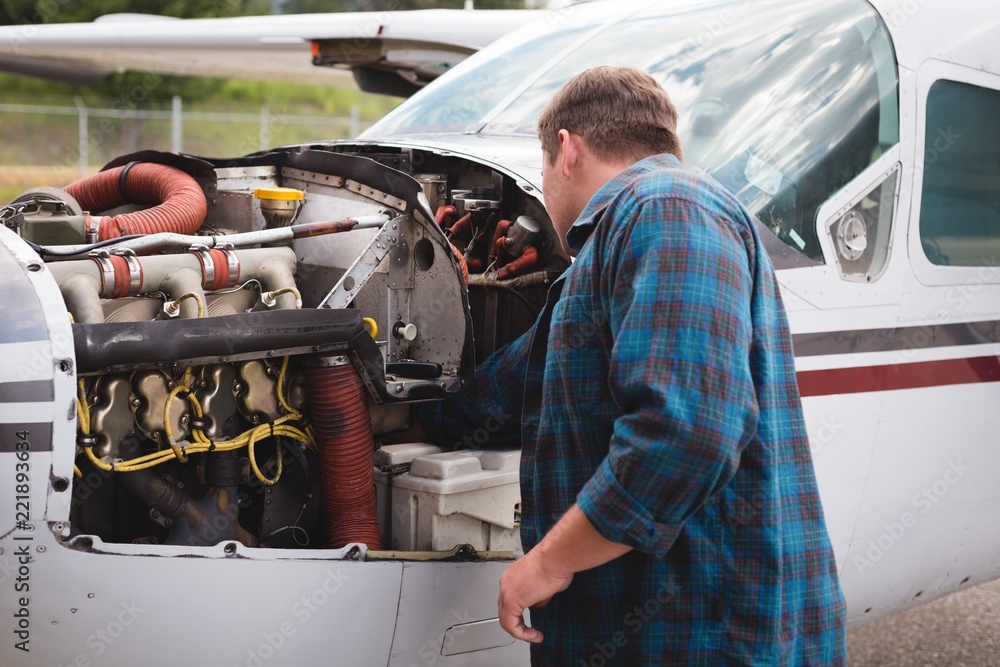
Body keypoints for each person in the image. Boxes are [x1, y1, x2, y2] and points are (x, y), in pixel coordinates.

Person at [415, 66, 847, 665]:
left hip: (711, 634)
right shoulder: (606, 257)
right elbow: (514, 386)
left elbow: (688, 433)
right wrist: (403, 414)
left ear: (567, 150)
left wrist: (548, 562)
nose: (542, 191)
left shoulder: (668, 207)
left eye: (540, 172)